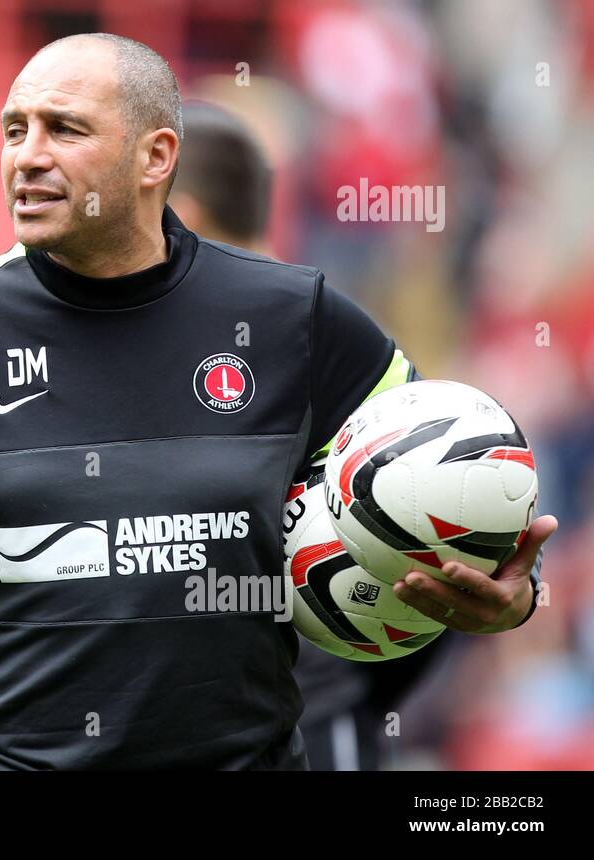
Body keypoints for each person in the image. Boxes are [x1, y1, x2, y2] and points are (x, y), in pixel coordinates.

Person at [0, 34, 555, 770]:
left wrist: (510, 596)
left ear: (156, 158)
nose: (28, 154)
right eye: (14, 129)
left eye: (64, 129)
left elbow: (439, 481)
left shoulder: (293, 319)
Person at [170, 100, 491, 770]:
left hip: (304, 729)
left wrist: (343, 684)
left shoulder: (322, 350)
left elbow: (462, 526)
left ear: (183, 214)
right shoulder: (334, 338)